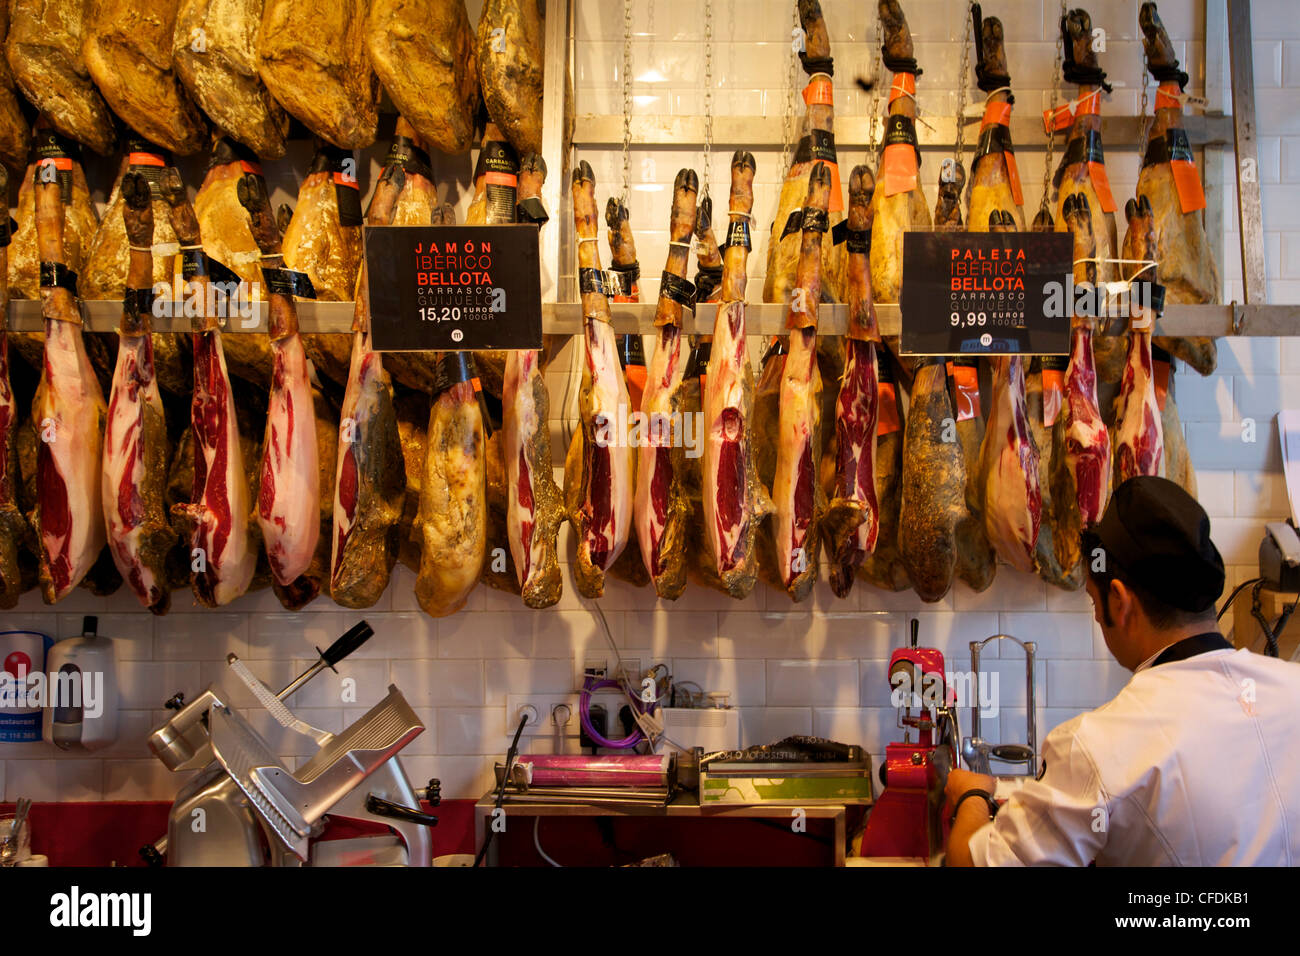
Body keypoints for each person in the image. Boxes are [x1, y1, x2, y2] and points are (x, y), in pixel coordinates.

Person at [944, 476, 1300, 866]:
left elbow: (974, 863)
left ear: (1119, 600)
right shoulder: (1292, 688)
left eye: (1094, 601)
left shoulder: (1097, 746)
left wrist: (972, 796)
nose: (1098, 617)